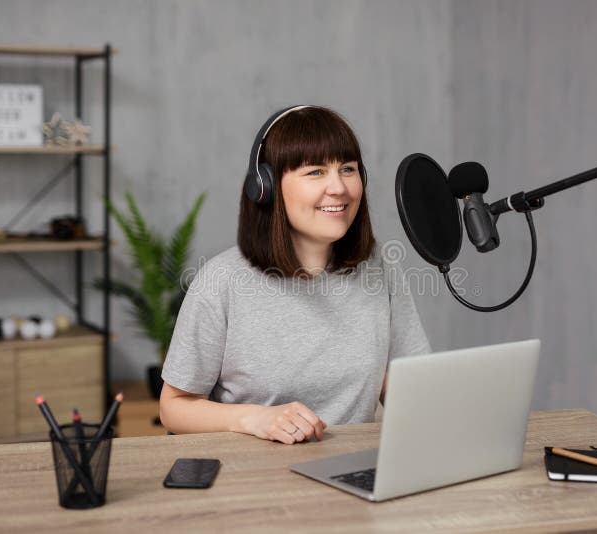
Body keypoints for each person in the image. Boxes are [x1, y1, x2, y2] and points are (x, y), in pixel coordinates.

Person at [159, 105, 430, 444]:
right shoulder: (222, 281)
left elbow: (401, 382)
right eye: (316, 172)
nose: (339, 188)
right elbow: (173, 407)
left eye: (348, 169)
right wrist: (254, 419)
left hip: (353, 472)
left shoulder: (379, 267)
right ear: (266, 187)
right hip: (254, 481)